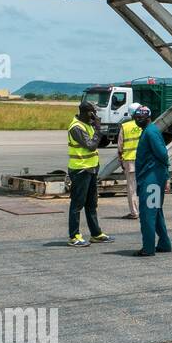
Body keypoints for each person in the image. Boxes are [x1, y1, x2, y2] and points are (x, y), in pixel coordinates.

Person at [65, 100, 113, 247]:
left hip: (91, 169)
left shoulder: (86, 125)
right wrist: (98, 130)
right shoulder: (76, 127)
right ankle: (74, 236)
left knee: (92, 203)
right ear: (88, 112)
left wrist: (95, 127)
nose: (96, 115)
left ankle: (96, 233)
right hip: (81, 170)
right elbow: (91, 146)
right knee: (77, 204)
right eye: (94, 112)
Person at [133, 106, 171, 256]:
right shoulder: (148, 131)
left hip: (152, 180)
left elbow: (163, 154)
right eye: (136, 117)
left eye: (141, 118)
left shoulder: (151, 132)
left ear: (148, 117)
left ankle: (148, 248)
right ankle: (164, 243)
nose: (137, 120)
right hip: (151, 177)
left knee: (148, 213)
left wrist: (165, 175)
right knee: (156, 211)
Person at [118, 112, 143, 219]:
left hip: (129, 162)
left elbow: (120, 147)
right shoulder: (145, 126)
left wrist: (121, 162)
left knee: (132, 189)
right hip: (143, 161)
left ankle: (134, 212)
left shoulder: (125, 126)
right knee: (145, 187)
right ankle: (148, 211)